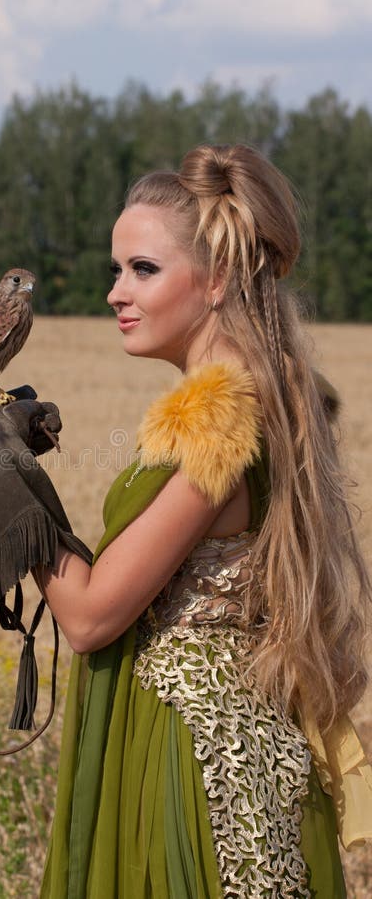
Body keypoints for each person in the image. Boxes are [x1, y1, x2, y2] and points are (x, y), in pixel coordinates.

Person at [32, 144, 372, 898]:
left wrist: (18, 508)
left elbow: (90, 618)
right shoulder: (270, 394)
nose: (116, 292)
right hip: (245, 740)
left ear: (217, 279)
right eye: (116, 270)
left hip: (195, 760)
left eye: (143, 269)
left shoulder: (218, 421)